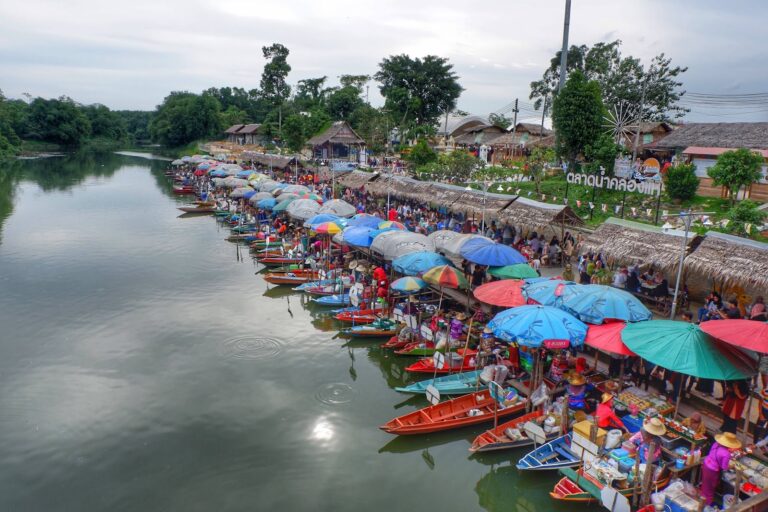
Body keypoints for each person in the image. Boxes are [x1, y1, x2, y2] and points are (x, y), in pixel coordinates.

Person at [699, 431, 742, 506]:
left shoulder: (716, 444)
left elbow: (716, 454)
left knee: (705, 484)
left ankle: (702, 497)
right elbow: (724, 467)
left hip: (706, 464)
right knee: (710, 488)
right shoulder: (726, 454)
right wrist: (732, 466)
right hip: (712, 470)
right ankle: (706, 504)